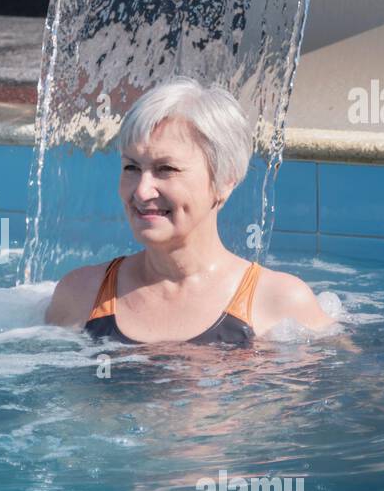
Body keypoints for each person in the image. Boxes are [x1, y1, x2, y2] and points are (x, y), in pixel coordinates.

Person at [45, 78, 333, 345]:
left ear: (225, 180)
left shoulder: (279, 304)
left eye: (166, 169)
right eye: (131, 167)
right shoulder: (81, 295)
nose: (142, 191)